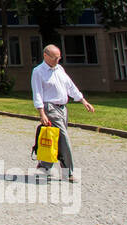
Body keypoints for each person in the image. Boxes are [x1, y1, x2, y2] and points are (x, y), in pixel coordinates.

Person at [30, 44, 94, 181]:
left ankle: (44, 166)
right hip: (50, 108)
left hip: (63, 109)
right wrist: (41, 113)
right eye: (54, 58)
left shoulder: (59, 69)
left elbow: (70, 86)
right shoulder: (38, 71)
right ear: (45, 56)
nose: (57, 60)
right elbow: (37, 94)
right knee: (64, 140)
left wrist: (83, 101)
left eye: (59, 58)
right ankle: (68, 172)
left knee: (55, 139)